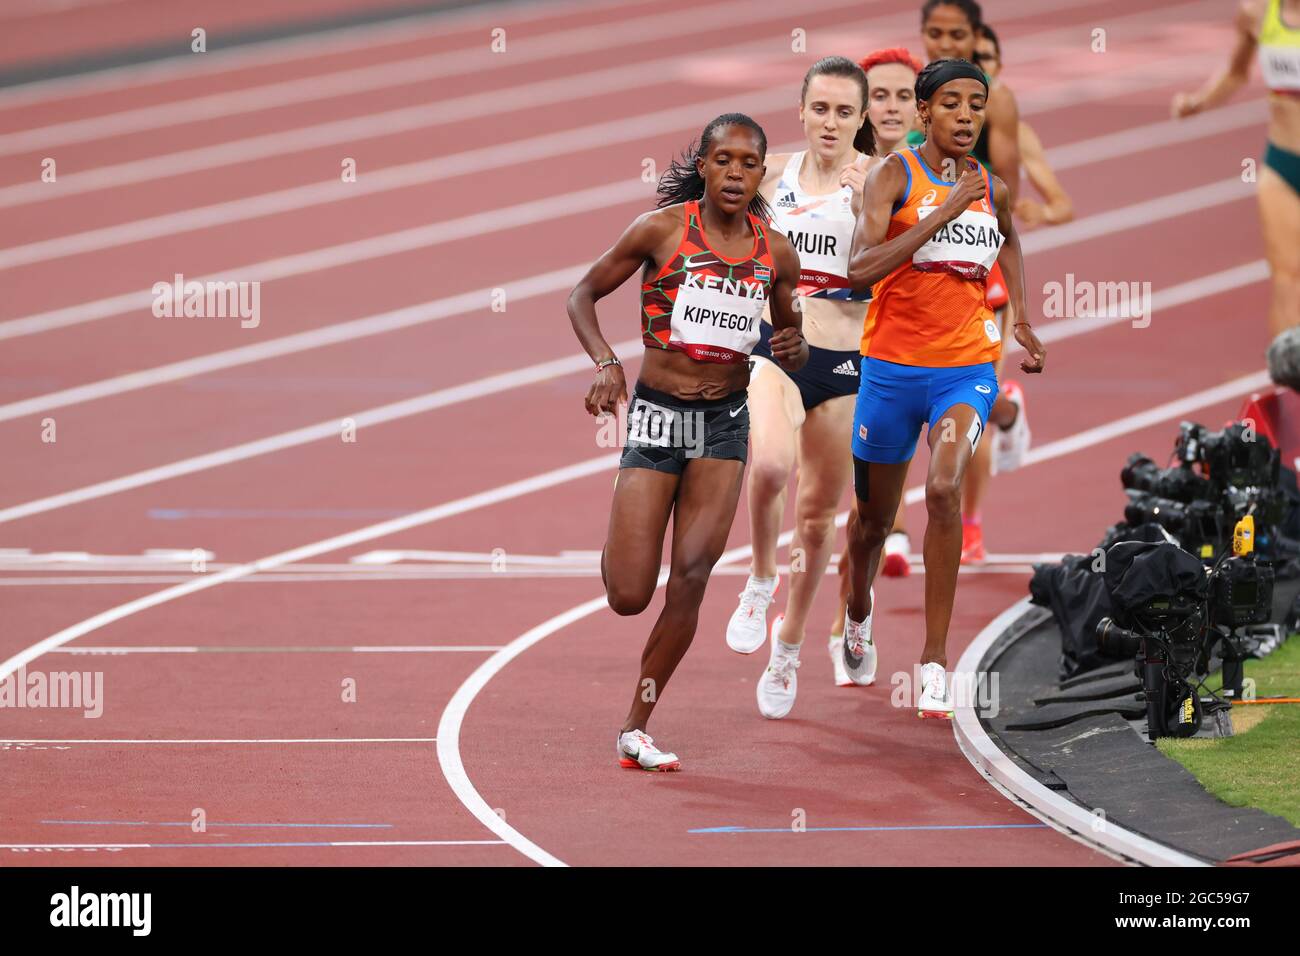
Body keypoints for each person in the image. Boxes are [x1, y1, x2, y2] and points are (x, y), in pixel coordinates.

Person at [567, 113, 806, 770]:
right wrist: (605, 364)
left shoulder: (774, 251)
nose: (735, 172)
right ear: (702, 166)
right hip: (657, 418)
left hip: (724, 424)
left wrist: (795, 344)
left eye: (748, 163)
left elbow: (793, 333)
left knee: (694, 578)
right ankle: (622, 539)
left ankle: (636, 724)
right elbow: (582, 294)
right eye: (723, 160)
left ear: (762, 172)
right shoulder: (662, 230)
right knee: (629, 595)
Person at [841, 58, 1046, 718]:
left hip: (965, 369)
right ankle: (855, 612)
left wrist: (1024, 319)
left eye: (976, 105)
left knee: (943, 487)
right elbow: (859, 269)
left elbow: (1008, 240)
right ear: (923, 113)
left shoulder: (991, 185)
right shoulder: (893, 175)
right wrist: (941, 215)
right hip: (891, 370)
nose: (965, 116)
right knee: (871, 526)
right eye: (951, 104)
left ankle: (934, 661)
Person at [723, 58, 875, 720]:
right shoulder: (770, 173)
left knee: (817, 520)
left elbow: (898, 264)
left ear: (863, 119)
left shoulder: (877, 182)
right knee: (772, 465)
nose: (832, 123)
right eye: (821, 109)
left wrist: (870, 201)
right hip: (778, 348)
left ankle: (789, 644)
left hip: (844, 360)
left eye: (845, 112)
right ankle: (759, 578)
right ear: (802, 110)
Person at [1172, 0, 1300, 338]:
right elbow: (1235, 73)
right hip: (1282, 164)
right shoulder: (1258, 12)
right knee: (1287, 279)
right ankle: (1290, 380)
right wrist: (1198, 102)